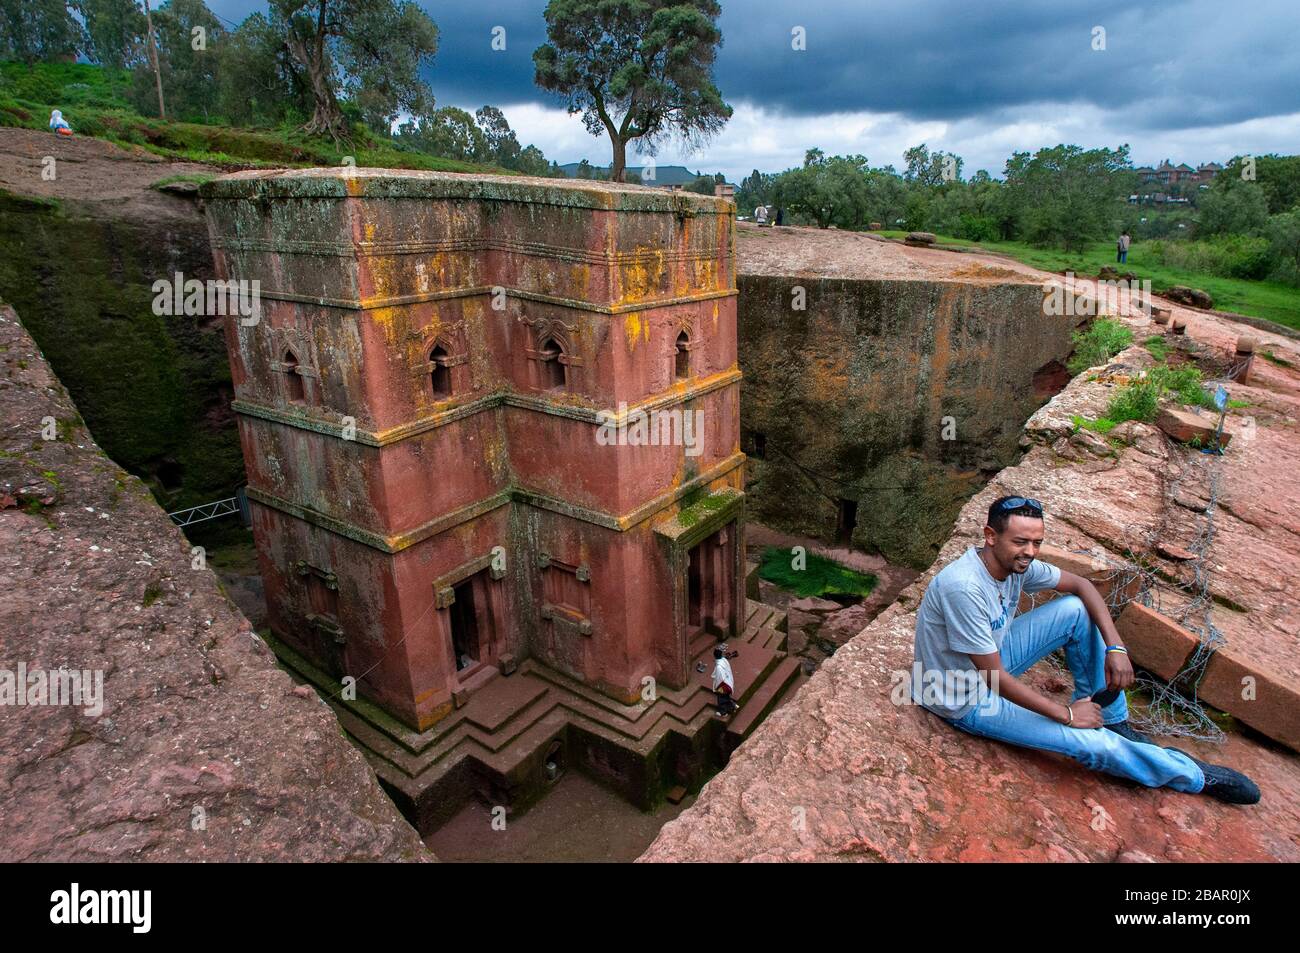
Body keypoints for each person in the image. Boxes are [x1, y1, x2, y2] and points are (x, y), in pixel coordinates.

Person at [911, 494, 1260, 804]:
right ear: (990, 536)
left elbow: (1082, 586)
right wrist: (1067, 715)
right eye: (1021, 541)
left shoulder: (1013, 564)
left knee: (1076, 611)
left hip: (990, 660)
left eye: (1037, 542)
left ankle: (1113, 718)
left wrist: (1117, 647)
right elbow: (995, 679)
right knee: (1090, 744)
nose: (1030, 552)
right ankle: (1190, 775)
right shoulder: (965, 587)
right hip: (964, 696)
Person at [712, 646, 738, 718]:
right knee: (726, 697)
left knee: (721, 699)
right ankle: (733, 707)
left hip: (723, 685)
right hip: (728, 682)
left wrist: (717, 688)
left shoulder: (719, 667)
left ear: (715, 656)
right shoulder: (724, 660)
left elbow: (720, 678)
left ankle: (723, 712)